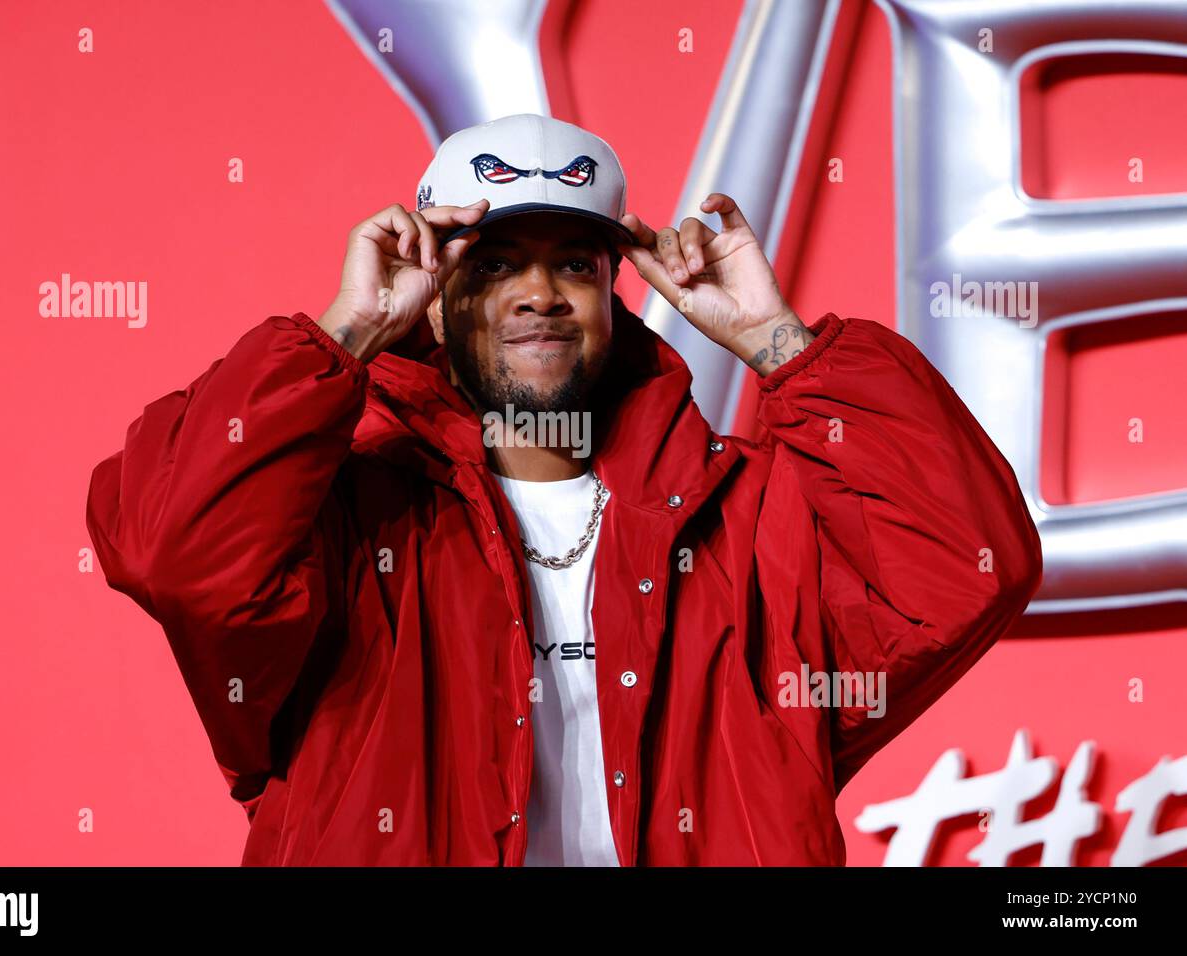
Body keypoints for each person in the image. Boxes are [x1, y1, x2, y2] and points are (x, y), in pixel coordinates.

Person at [85, 113, 1043, 866]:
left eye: (573, 266)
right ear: (436, 294)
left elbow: (968, 565)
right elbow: (173, 547)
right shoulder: (341, 513)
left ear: (615, 293)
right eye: (494, 264)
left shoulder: (746, 518)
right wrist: (346, 332)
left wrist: (778, 343)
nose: (537, 294)